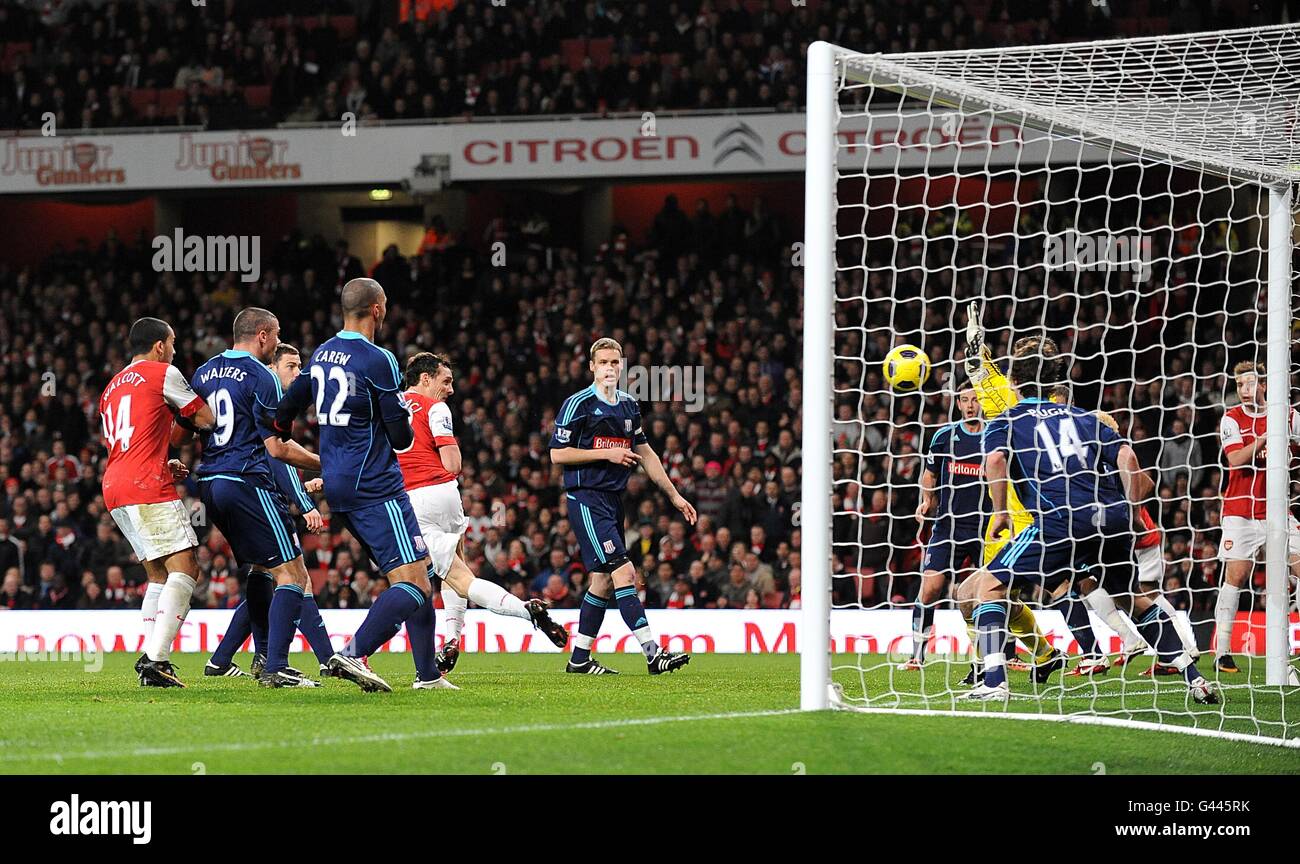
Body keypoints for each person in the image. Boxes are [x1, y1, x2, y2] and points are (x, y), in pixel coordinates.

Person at [956, 336, 1216, 704]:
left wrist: (1000, 511)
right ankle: (1194, 677)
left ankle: (994, 680)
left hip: (1059, 521)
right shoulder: (1085, 418)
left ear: (1015, 382)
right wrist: (1131, 512)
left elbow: (995, 462)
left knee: (989, 588)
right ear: (1054, 383)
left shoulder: (1008, 419)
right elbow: (1128, 459)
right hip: (1111, 519)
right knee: (1131, 597)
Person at [273, 278, 449, 692]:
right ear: (376, 309)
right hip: (375, 484)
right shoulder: (379, 359)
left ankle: (428, 675)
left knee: (415, 571)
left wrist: (281, 429)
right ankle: (352, 654)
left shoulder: (320, 354)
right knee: (416, 585)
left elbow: (287, 406)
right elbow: (401, 437)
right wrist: (402, 414)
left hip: (338, 486)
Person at [396, 351, 566, 677]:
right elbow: (453, 465)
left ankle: (525, 610)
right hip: (446, 495)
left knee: (445, 578)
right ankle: (452, 639)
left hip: (415, 499)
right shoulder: (436, 409)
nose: (451, 389)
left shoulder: (389, 407)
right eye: (446, 381)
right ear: (425, 378)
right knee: (456, 568)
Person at [549, 337, 697, 675]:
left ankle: (579, 660)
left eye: (615, 362)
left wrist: (674, 495)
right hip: (586, 498)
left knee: (601, 582)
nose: (609, 368)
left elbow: (646, 454)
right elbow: (558, 454)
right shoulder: (578, 404)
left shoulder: (629, 405)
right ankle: (653, 654)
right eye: (603, 362)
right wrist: (607, 453)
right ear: (592, 367)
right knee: (625, 572)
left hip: (614, 501)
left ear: (622, 365)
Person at [203, 340, 337, 680]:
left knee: (264, 576)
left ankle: (232, 659)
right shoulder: (263, 386)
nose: (298, 372)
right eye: (291, 365)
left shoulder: (217, 378)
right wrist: (308, 500)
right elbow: (278, 457)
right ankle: (320, 660)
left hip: (218, 483)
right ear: (272, 367)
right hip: (251, 489)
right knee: (294, 576)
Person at [98, 317, 215, 687]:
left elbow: (135, 439)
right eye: (173, 343)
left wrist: (164, 460)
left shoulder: (110, 388)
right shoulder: (161, 373)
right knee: (187, 568)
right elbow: (206, 418)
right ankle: (157, 659)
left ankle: (152, 657)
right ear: (160, 346)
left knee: (157, 574)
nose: (175, 350)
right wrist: (194, 418)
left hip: (115, 486)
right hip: (145, 485)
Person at [1212, 360, 1300, 673]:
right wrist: (1265, 439)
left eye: (1250, 384)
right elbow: (1235, 459)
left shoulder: (1287, 415)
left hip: (1277, 508)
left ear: (1263, 384)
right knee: (1236, 575)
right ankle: (1222, 651)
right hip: (1241, 510)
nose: (1245, 391)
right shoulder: (1231, 418)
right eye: (1239, 385)